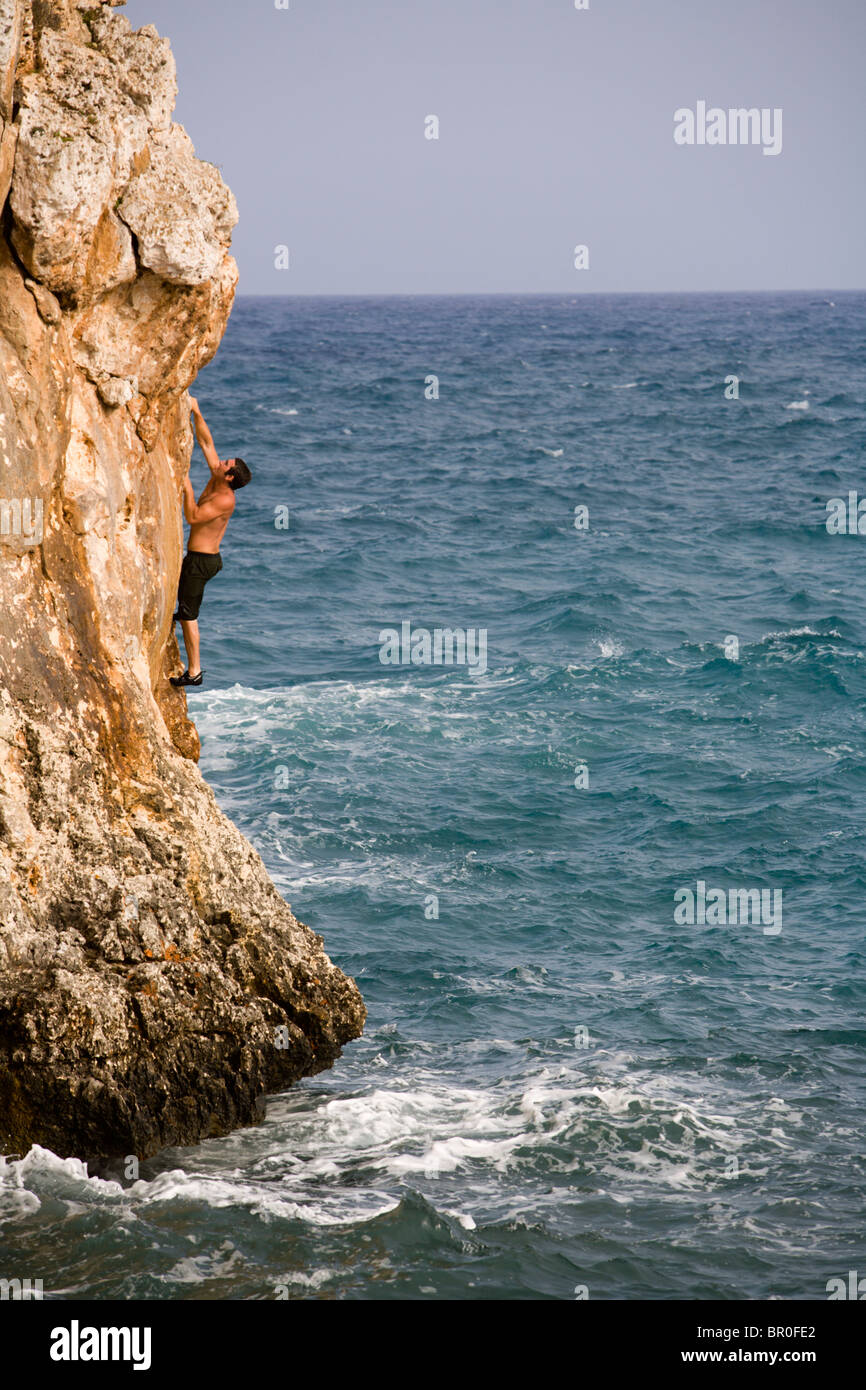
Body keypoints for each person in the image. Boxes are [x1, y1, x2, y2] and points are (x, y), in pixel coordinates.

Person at [170, 396, 251, 688]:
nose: (220, 460)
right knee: (182, 608)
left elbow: (192, 516)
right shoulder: (219, 478)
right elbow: (206, 442)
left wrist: (185, 483)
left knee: (189, 616)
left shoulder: (223, 499)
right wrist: (196, 410)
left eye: (225, 463)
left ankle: (195, 672)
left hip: (202, 562)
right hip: (199, 559)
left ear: (229, 476)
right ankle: (178, 617)